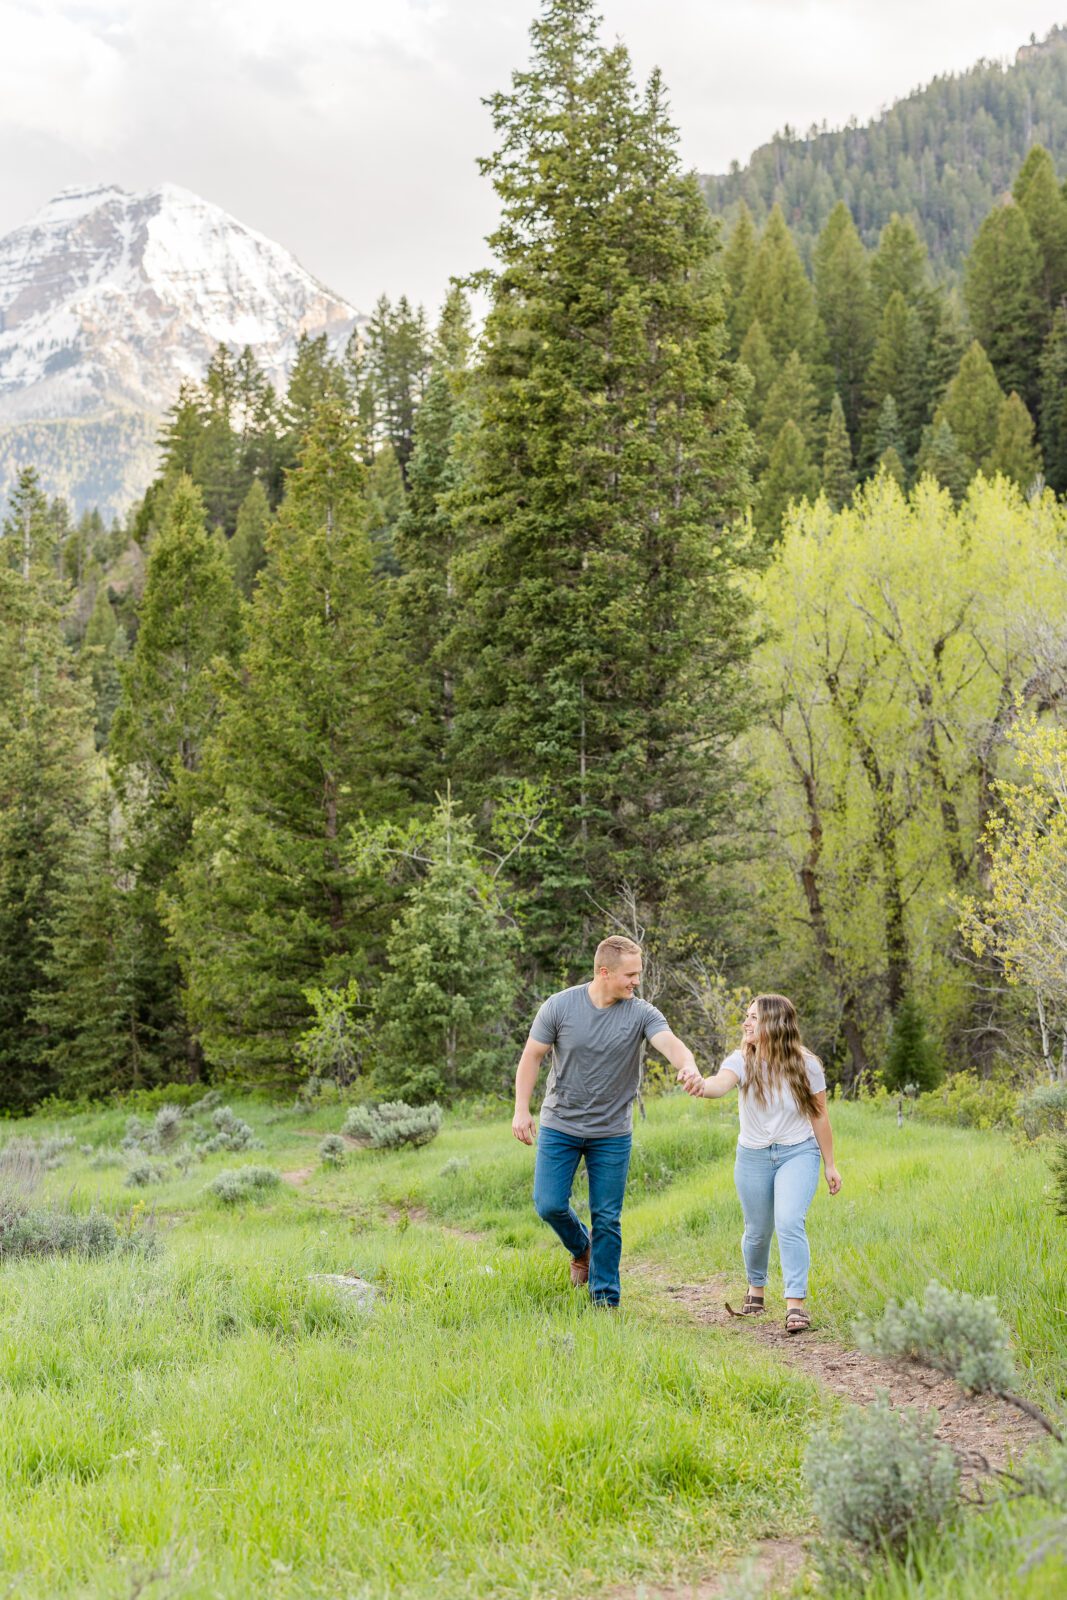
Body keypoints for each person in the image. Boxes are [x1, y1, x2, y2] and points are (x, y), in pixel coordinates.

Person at [512, 935, 699, 1308]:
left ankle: (605, 1302)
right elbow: (531, 1056)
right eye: (631, 974)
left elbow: (670, 1043)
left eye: (638, 974)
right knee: (548, 1204)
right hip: (560, 1123)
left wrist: (688, 1065)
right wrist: (521, 1108)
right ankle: (582, 1247)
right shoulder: (560, 1007)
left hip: (611, 1131)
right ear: (604, 972)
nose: (636, 981)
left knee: (608, 1217)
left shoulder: (642, 1012)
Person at [678, 992, 841, 1334]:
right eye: (747, 1016)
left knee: (789, 1221)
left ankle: (795, 1304)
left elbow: (820, 1116)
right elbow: (718, 1085)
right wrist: (699, 1084)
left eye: (754, 1017)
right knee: (757, 1231)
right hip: (753, 1155)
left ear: (775, 1023)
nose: (746, 1022)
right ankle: (756, 1288)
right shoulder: (741, 1060)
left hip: (798, 1152)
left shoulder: (807, 1064)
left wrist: (830, 1164)